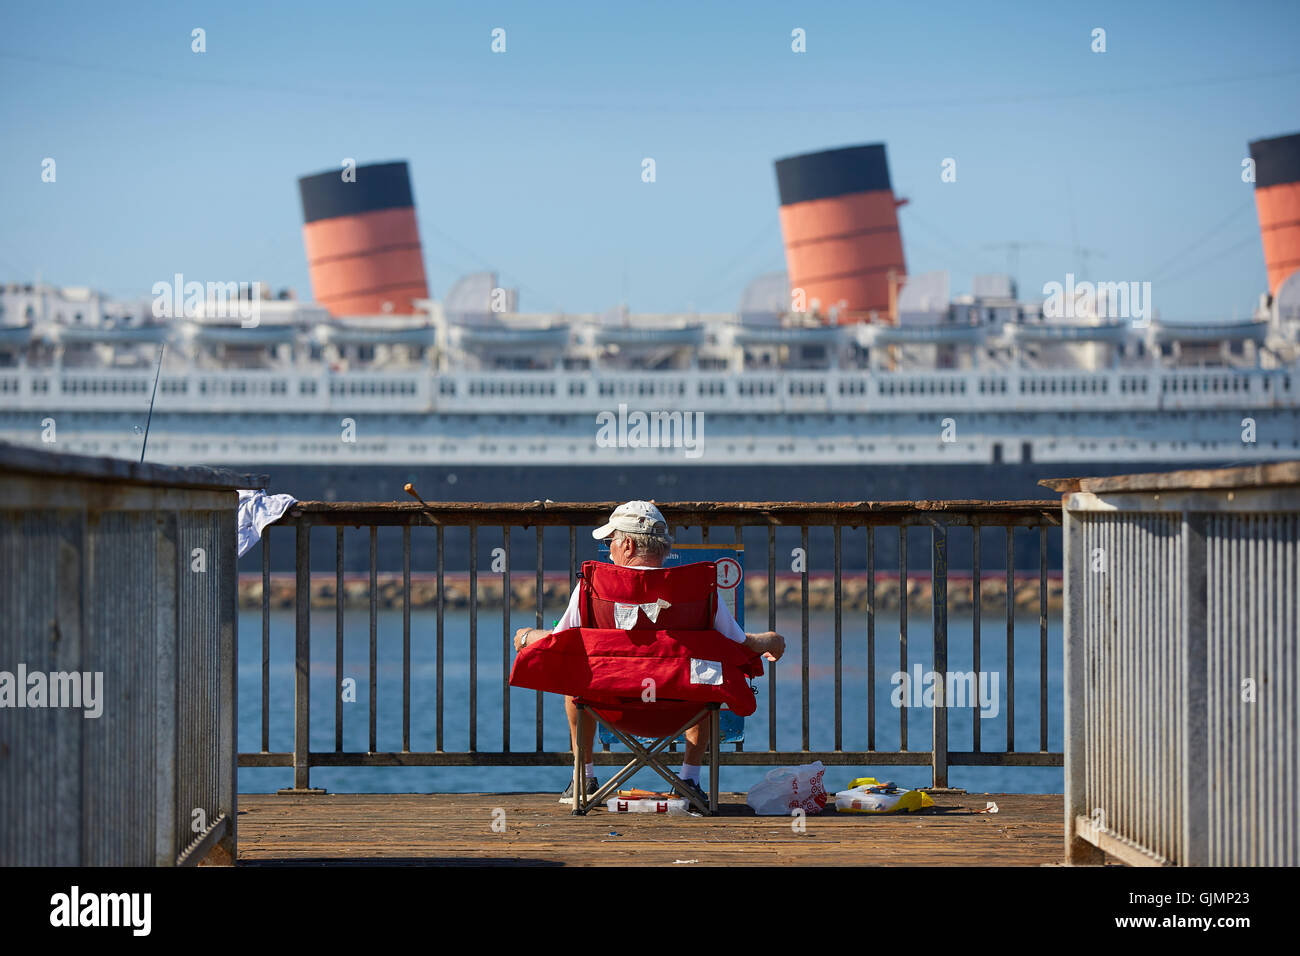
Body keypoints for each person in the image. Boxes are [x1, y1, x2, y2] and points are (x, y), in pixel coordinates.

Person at [512, 500, 785, 805]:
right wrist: (770, 640)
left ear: (627, 544)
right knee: (703, 672)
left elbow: (560, 640)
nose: (610, 548)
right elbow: (739, 644)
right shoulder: (697, 586)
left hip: (609, 706)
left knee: (577, 680)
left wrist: (525, 637)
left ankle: (584, 779)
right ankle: (689, 781)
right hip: (682, 710)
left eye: (610, 540)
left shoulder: (592, 584)